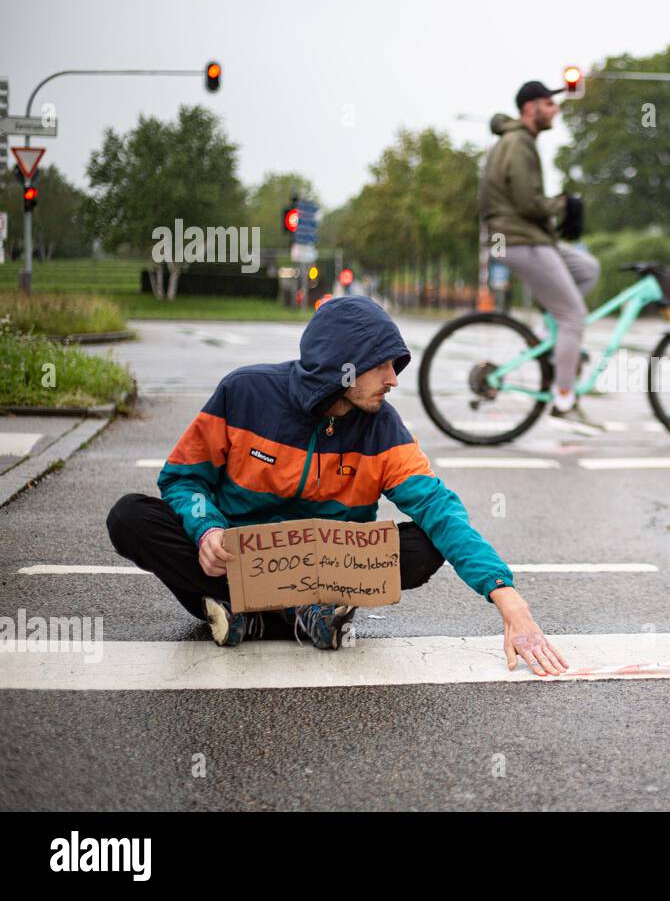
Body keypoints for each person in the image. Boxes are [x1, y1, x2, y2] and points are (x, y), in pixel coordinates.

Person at [105, 296, 567, 676]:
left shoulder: (382, 426)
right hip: (233, 561)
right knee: (130, 516)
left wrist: (508, 598)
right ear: (342, 366)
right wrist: (206, 529)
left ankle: (257, 615)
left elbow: (438, 506)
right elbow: (184, 477)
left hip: (324, 570)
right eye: (382, 365)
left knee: (427, 541)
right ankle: (296, 615)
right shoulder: (244, 392)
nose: (393, 378)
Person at [479, 79, 602, 434]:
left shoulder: (519, 140)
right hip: (518, 238)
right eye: (549, 105)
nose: (555, 110)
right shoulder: (518, 142)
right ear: (530, 108)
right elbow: (527, 202)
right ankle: (564, 398)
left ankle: (547, 331)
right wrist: (564, 204)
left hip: (527, 236)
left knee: (587, 268)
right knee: (574, 315)